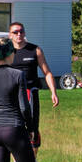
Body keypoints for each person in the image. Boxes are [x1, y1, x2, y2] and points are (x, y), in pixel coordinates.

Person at [7, 22, 58, 154]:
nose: (19, 34)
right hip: (12, 95)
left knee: (33, 128)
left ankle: (32, 161)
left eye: (21, 31)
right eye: (15, 32)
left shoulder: (35, 50)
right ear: (10, 35)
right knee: (13, 129)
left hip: (31, 93)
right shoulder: (6, 51)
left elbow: (47, 73)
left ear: (24, 33)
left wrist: (53, 92)